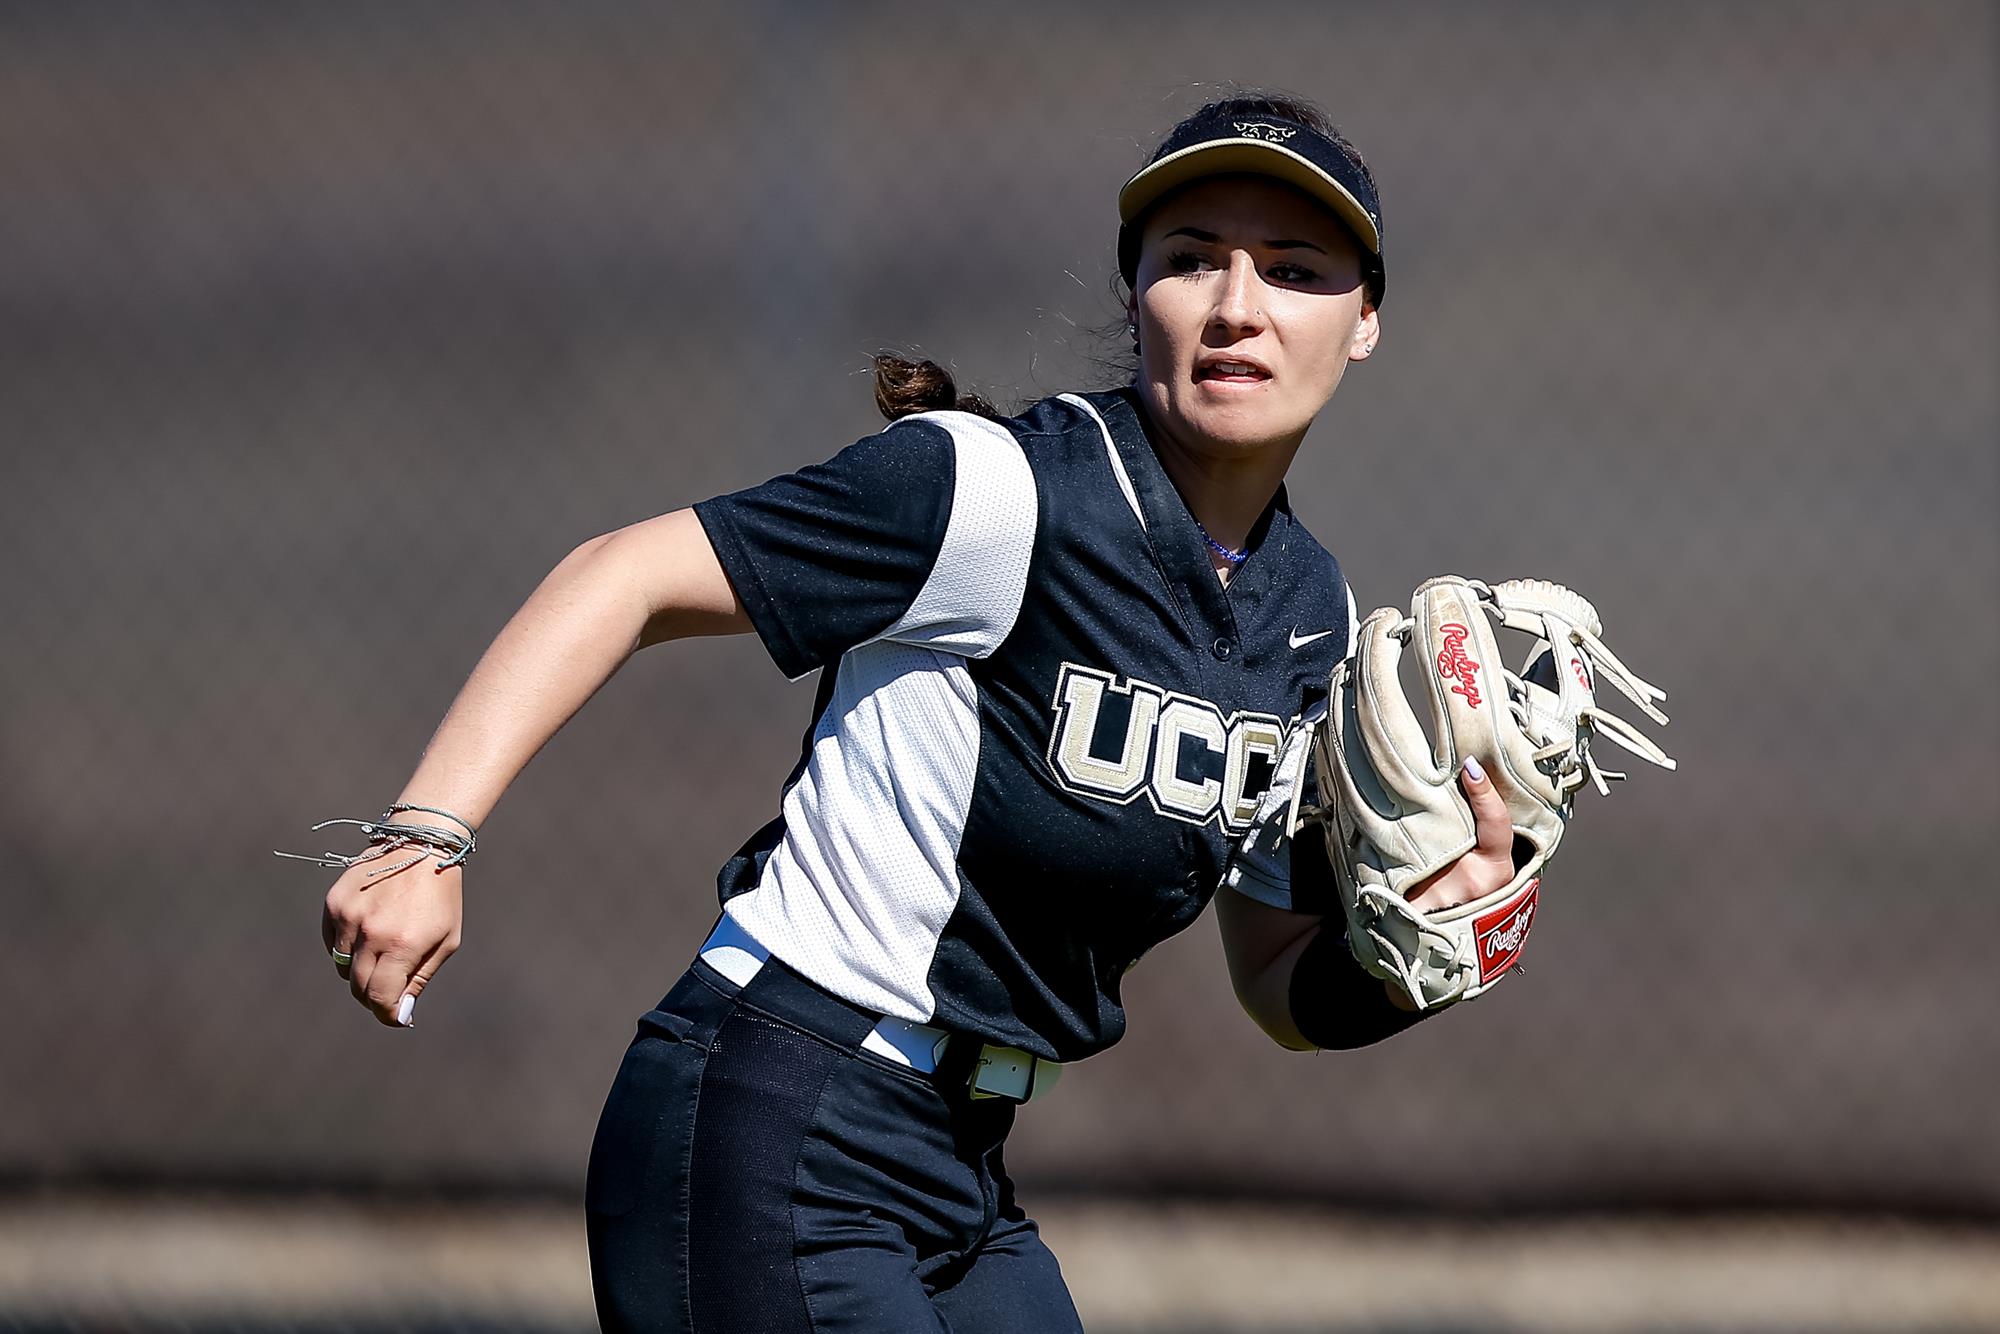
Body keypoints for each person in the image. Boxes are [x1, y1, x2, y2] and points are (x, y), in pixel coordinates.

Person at [310, 90, 1519, 1332]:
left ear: (1363, 320)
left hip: (961, 1167)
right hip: (777, 1123)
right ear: (1134, 294)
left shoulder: (1312, 615)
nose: (1234, 305)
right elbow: (623, 575)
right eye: (1190, 257)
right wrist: (426, 832)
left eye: (1293, 269)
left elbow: (1271, 979)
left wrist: (1425, 945)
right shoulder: (993, 491)